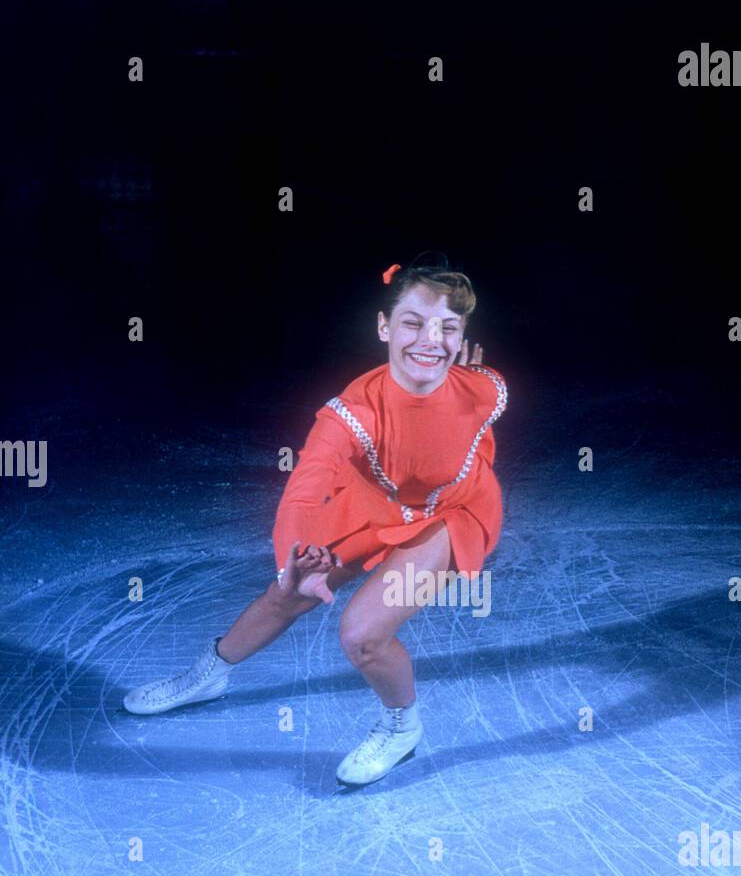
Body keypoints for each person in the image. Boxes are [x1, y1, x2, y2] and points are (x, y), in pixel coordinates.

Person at [123, 251, 508, 786]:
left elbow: (473, 399)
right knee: (290, 589)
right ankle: (207, 675)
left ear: (461, 334)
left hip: (452, 513)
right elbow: (303, 492)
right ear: (383, 327)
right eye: (413, 323)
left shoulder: (483, 389)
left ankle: (402, 727)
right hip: (376, 504)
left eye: (447, 327)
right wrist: (297, 555)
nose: (429, 340)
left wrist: (464, 368)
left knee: (363, 635)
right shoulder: (351, 414)